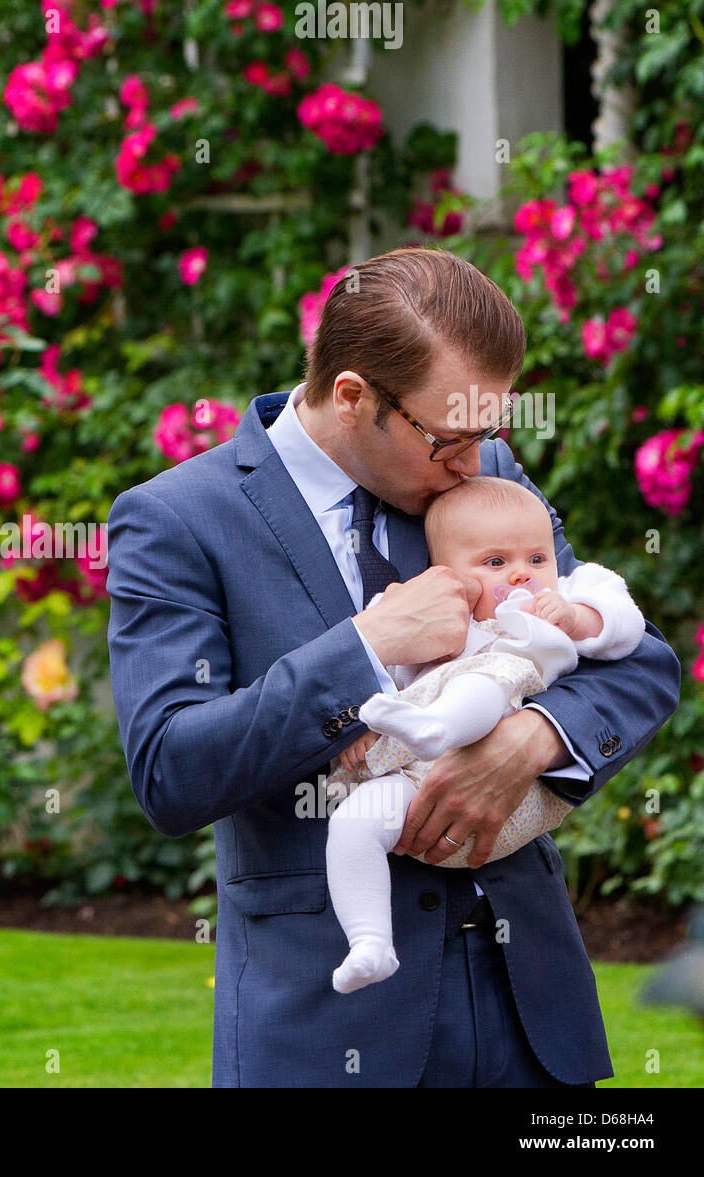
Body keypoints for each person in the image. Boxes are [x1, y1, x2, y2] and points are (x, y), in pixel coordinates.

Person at [105, 246, 681, 1087]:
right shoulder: (177, 519)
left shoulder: (483, 477)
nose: (472, 459)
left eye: (490, 430)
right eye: (450, 435)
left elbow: (637, 658)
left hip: (532, 1020)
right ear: (352, 396)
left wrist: (528, 739)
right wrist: (365, 648)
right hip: (328, 1030)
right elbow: (170, 768)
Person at [324, 475, 647, 994]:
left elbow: (628, 627)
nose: (523, 575)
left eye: (536, 559)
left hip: (512, 790)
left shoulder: (560, 601)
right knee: (353, 824)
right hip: (422, 795)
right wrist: (364, 723)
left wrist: (577, 616)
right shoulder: (436, 620)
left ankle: (435, 727)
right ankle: (370, 942)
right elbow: (388, 673)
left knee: (486, 680)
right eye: (496, 563)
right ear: (447, 577)